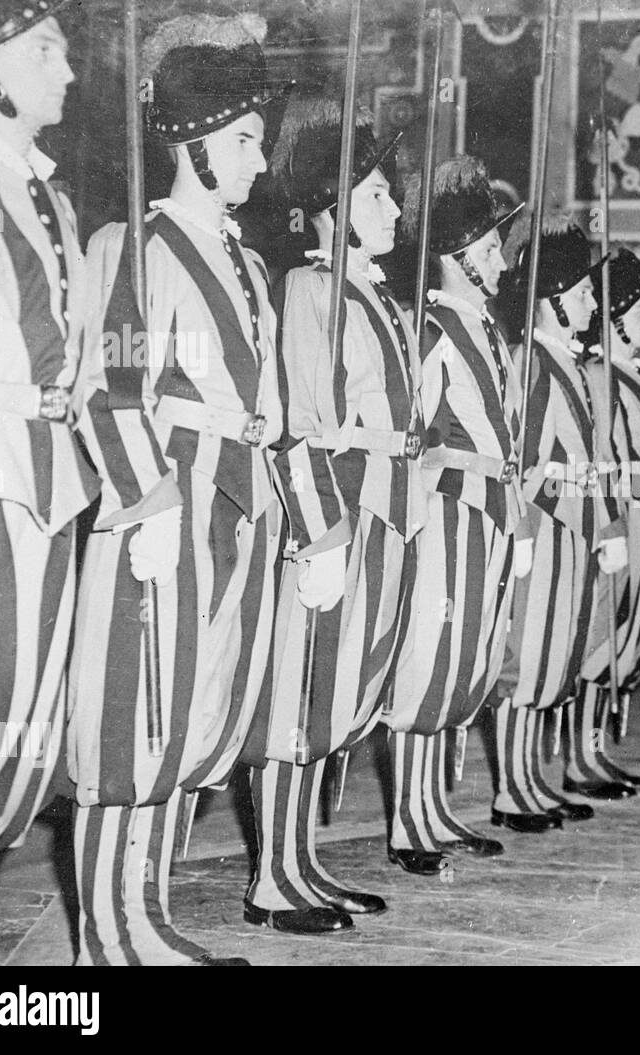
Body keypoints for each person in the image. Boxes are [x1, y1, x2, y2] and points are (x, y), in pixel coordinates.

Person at [66, 12, 286, 965]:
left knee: (192, 717)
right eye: (243, 142)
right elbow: (108, 393)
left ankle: (146, 919)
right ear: (192, 145)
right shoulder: (137, 248)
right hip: (162, 509)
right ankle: (103, 947)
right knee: (131, 725)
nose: (260, 161)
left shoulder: (242, 259)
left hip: (233, 511)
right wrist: (146, 508)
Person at [240, 97, 420, 930]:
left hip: (385, 510)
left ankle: (303, 862)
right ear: (333, 208)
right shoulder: (310, 289)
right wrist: (319, 538)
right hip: (339, 514)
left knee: (341, 697)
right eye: (378, 195)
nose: (394, 209)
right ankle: (273, 877)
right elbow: (300, 424)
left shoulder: (373, 294)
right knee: (302, 695)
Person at [0, 0, 99, 949]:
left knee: (17, 705)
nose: (70, 74)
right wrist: (22, 392)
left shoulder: (48, 192)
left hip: (52, 478)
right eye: (48, 51)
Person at [386, 156, 524, 873]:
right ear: (456, 259)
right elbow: (413, 431)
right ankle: (409, 817)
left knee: (468, 658)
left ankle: (436, 806)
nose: (502, 262)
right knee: (429, 660)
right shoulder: (433, 327)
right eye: (490, 250)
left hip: (493, 512)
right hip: (447, 513)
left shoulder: (489, 330)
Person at [491, 218, 627, 829]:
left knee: (556, 659)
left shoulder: (569, 365)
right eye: (582, 293)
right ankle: (511, 789)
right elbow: (524, 463)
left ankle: (532, 779)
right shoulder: (531, 364)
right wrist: (566, 511)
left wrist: (601, 522)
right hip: (544, 532)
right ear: (550, 298)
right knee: (527, 658)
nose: (594, 303)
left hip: (574, 532)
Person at [573, 248, 640, 793]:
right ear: (613, 318)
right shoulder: (598, 376)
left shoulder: (629, 375)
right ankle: (579, 759)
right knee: (605, 632)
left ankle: (594, 753)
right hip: (622, 514)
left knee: (630, 631)